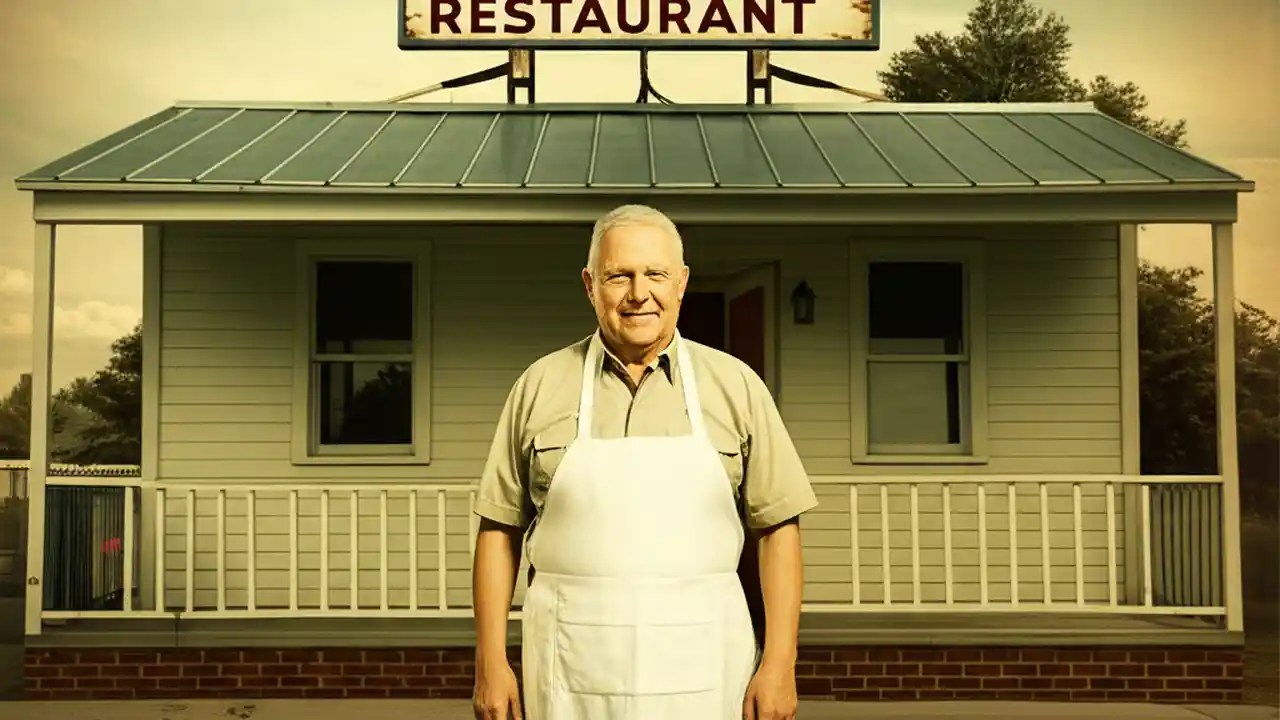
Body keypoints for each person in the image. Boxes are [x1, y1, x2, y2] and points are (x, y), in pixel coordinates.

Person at [470, 204, 818, 720]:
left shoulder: (736, 386)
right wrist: (490, 662)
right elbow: (499, 529)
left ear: (681, 283)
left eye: (655, 274)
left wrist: (780, 663)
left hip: (705, 667)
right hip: (569, 669)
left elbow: (778, 530)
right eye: (619, 276)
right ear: (590, 285)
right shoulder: (539, 386)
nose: (639, 293)